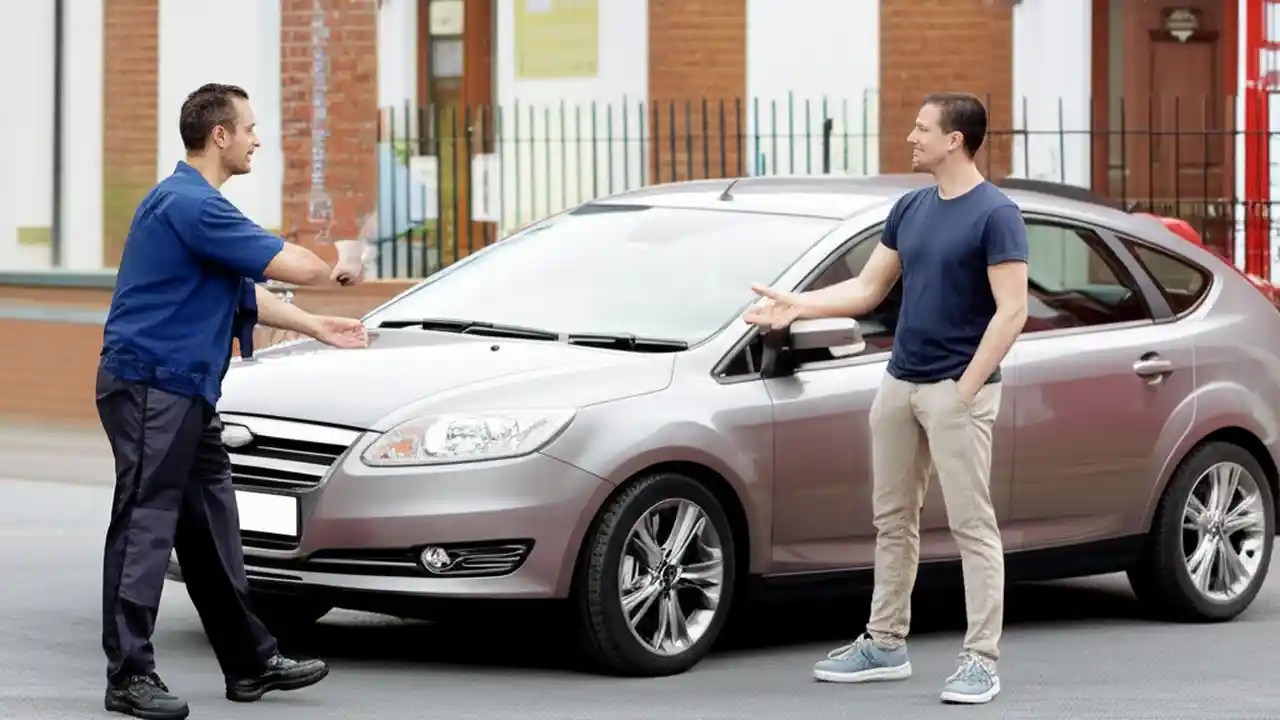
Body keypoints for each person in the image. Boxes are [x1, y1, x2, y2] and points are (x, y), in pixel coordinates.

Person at [96, 82, 370, 720]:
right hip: (152, 386)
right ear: (218, 136)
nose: (256, 138)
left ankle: (250, 663)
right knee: (145, 525)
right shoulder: (193, 204)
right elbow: (291, 266)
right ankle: (129, 676)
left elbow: (243, 292)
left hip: (185, 390)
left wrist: (318, 327)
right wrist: (340, 261)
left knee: (212, 528)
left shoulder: (190, 209)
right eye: (248, 128)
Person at [744, 92, 1029, 705]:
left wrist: (966, 387)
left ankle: (981, 658)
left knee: (972, 524)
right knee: (892, 519)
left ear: (956, 139)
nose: (911, 137)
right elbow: (870, 288)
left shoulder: (995, 214)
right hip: (900, 382)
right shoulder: (911, 207)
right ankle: (885, 643)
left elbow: (1013, 312)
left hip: (958, 390)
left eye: (923, 128)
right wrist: (797, 306)